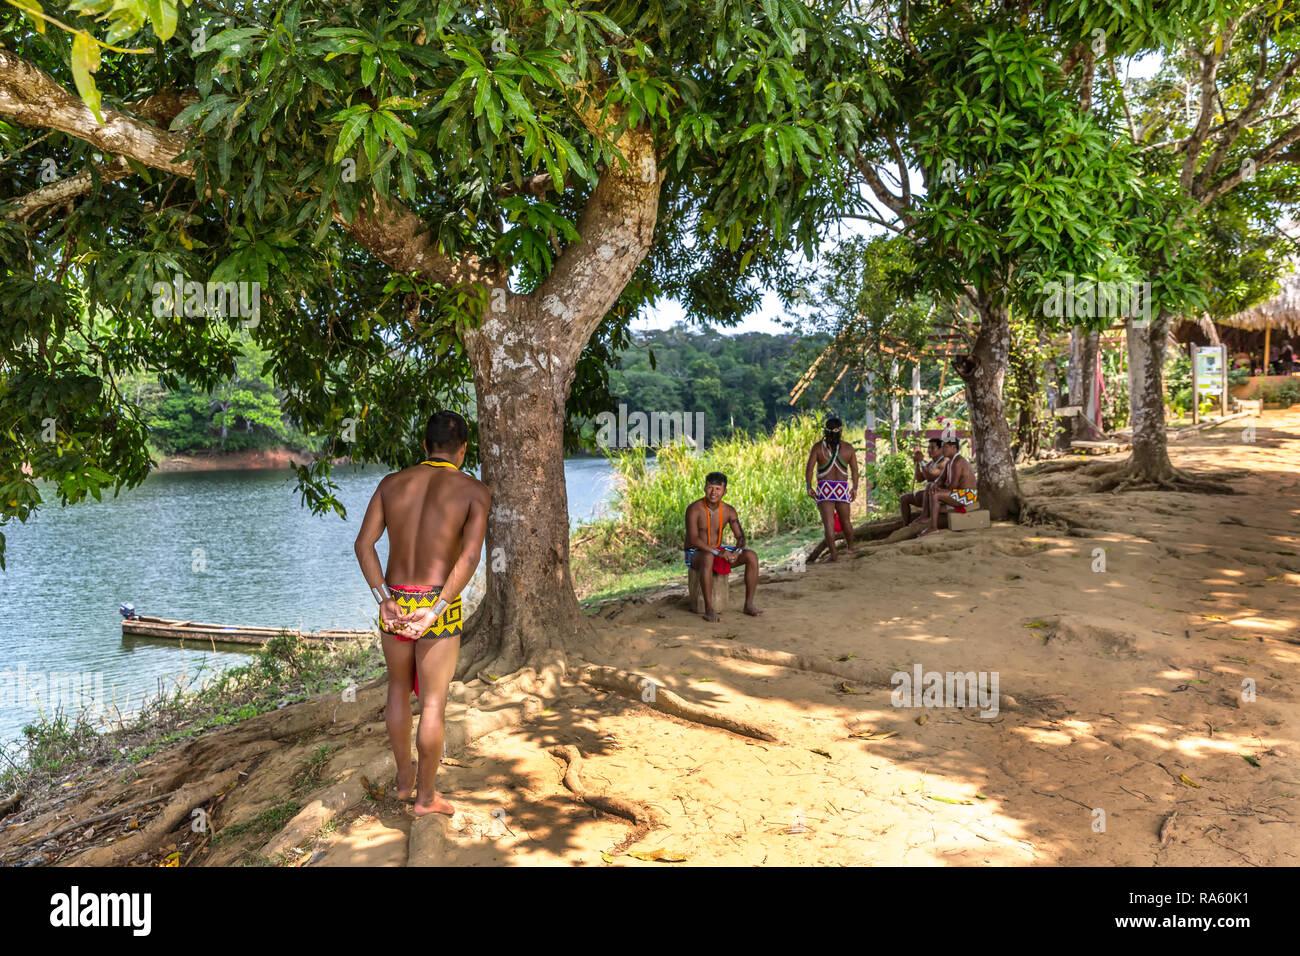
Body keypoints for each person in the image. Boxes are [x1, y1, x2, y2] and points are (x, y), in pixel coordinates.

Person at [353, 410, 490, 816]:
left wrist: (384, 597)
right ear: (462, 449)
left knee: (397, 689)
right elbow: (468, 558)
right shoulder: (475, 491)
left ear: (425, 445)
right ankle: (426, 799)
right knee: (433, 704)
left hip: (396, 599)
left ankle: (402, 780)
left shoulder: (391, 484)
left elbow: (364, 545)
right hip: (437, 603)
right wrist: (438, 608)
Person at [684, 472, 762, 621]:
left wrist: (737, 552)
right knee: (707, 557)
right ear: (704, 488)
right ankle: (709, 609)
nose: (714, 492)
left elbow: (740, 538)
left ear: (724, 491)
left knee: (751, 555)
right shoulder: (694, 509)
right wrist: (715, 552)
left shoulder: (729, 510)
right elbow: (693, 539)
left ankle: (749, 604)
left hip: (717, 550)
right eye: (710, 487)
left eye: (718, 489)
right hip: (695, 552)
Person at [804, 417, 859, 561]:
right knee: (846, 521)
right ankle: (851, 548)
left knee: (829, 523)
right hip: (841, 488)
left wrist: (809, 486)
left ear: (825, 431)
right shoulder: (848, 448)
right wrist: (855, 488)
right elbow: (854, 471)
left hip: (825, 488)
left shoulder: (817, 448)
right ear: (840, 431)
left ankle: (833, 555)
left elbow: (809, 469)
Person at [920, 438, 978, 537]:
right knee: (930, 485)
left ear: (954, 448)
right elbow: (940, 479)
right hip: (959, 493)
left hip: (968, 495)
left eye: (945, 447)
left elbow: (953, 486)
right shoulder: (950, 462)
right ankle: (925, 516)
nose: (943, 449)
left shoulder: (958, 462)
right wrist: (935, 484)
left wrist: (939, 489)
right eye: (942, 447)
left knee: (935, 494)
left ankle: (933, 527)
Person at [900, 437, 944, 525]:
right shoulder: (930, 463)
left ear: (941, 449)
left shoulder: (944, 462)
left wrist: (921, 462)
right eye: (928, 448)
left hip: (938, 494)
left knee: (921, 494)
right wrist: (916, 464)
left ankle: (925, 517)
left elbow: (930, 477)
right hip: (928, 493)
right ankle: (906, 526)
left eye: (932, 448)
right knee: (904, 498)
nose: (929, 450)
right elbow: (919, 479)